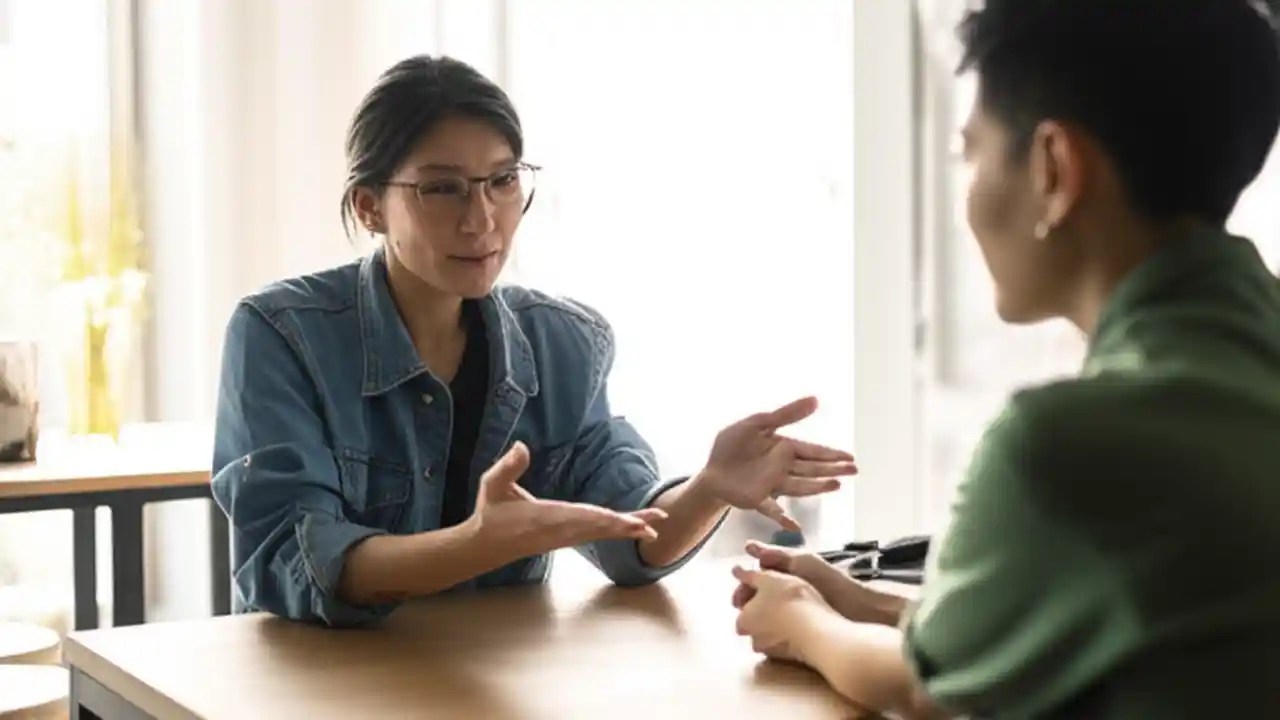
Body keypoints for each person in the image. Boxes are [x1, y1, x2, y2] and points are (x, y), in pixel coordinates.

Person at [730, 1, 1280, 717]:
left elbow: (924, 689)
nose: (969, 192)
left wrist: (802, 619)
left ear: (1054, 167)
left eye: (972, 151)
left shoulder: (1068, 444)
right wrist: (853, 597)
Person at [210, 55, 857, 628]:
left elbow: (630, 538)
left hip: (490, 682)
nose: (482, 218)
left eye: (502, 180)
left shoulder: (562, 340)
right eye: (442, 188)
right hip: (310, 688)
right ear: (369, 206)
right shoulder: (280, 333)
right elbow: (291, 559)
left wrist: (710, 487)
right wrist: (475, 545)